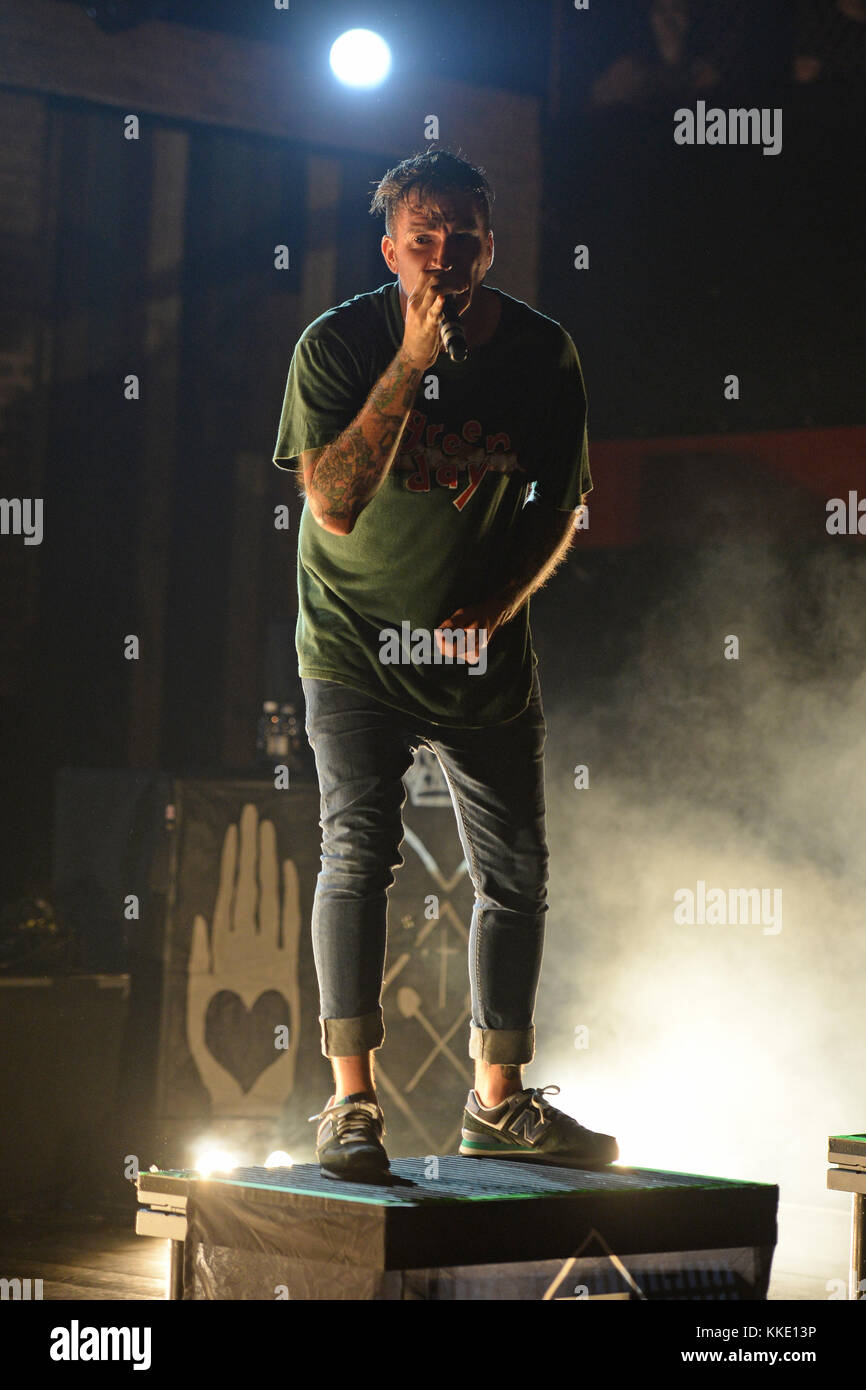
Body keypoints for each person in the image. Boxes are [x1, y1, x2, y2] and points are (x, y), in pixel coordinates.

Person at [273, 148, 618, 1180]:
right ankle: (349, 1104)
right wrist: (411, 364)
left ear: (489, 243)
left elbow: (559, 504)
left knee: (514, 872)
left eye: (462, 234)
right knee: (357, 855)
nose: (444, 253)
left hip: (478, 651)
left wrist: (491, 606)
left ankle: (496, 1100)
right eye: (422, 236)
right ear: (390, 249)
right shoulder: (338, 342)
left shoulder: (543, 354)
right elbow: (331, 501)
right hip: (354, 642)